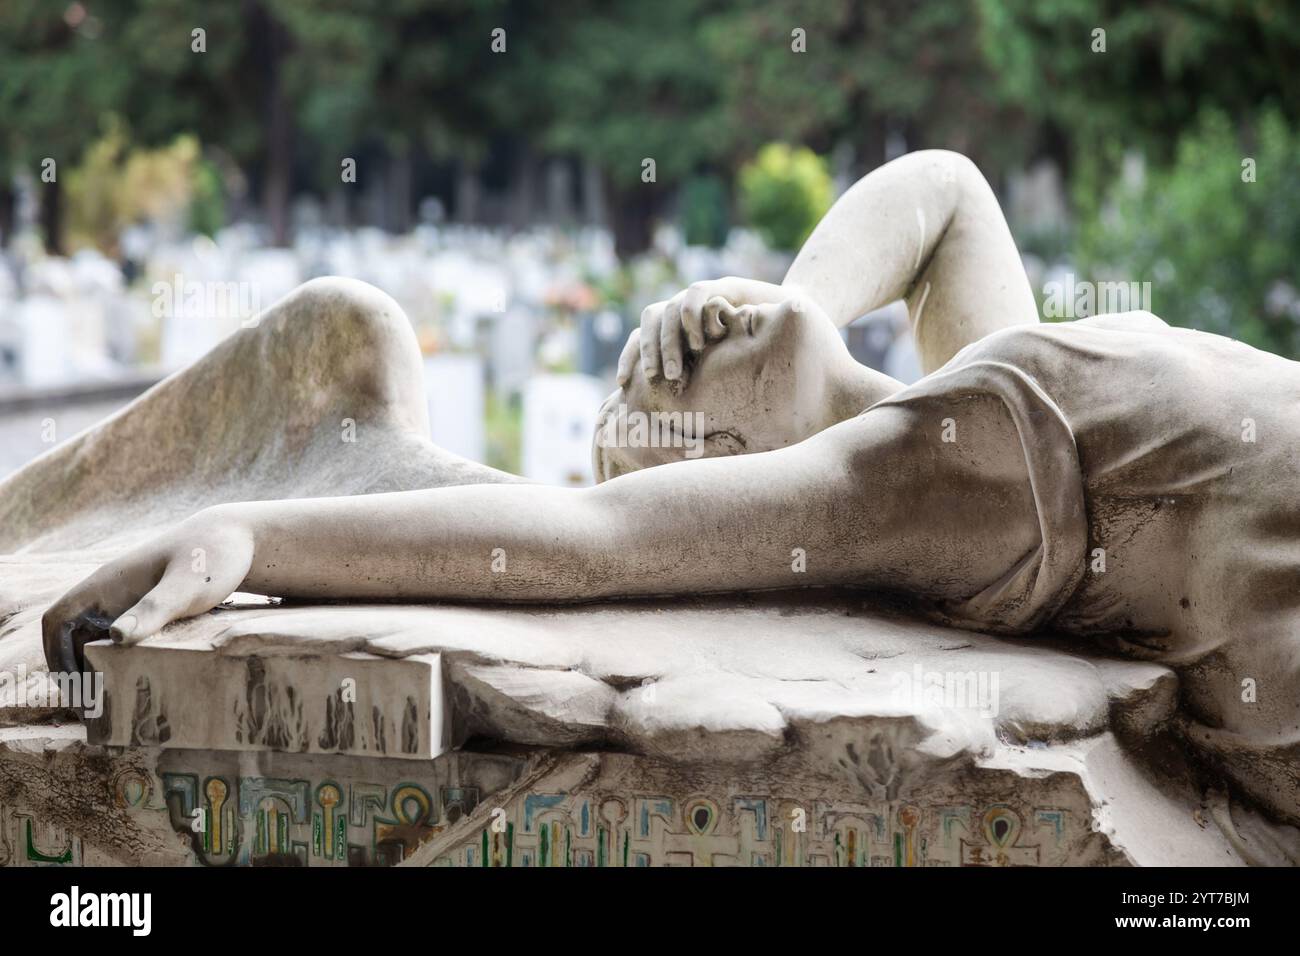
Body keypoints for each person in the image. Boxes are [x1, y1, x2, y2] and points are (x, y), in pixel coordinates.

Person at [41, 150, 1299, 823]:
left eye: (700, 344)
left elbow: (948, 193)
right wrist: (248, 534)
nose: (708, 323)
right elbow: (598, 540)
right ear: (760, 492)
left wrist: (800, 302)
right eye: (694, 382)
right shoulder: (947, 462)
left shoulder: (994, 391)